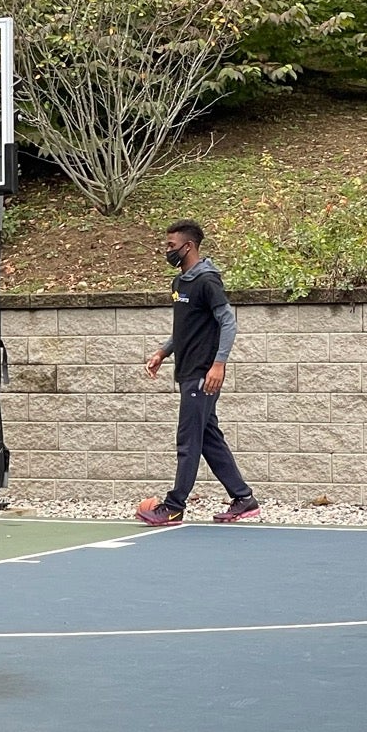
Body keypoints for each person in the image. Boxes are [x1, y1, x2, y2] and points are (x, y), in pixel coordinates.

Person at [138, 220, 260, 528]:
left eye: (170, 246)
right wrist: (163, 352)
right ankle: (243, 498)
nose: (166, 250)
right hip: (187, 371)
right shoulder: (180, 283)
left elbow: (228, 323)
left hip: (204, 375)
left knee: (188, 440)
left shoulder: (207, 281)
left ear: (187, 246)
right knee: (208, 439)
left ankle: (174, 506)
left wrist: (218, 364)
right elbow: (185, 328)